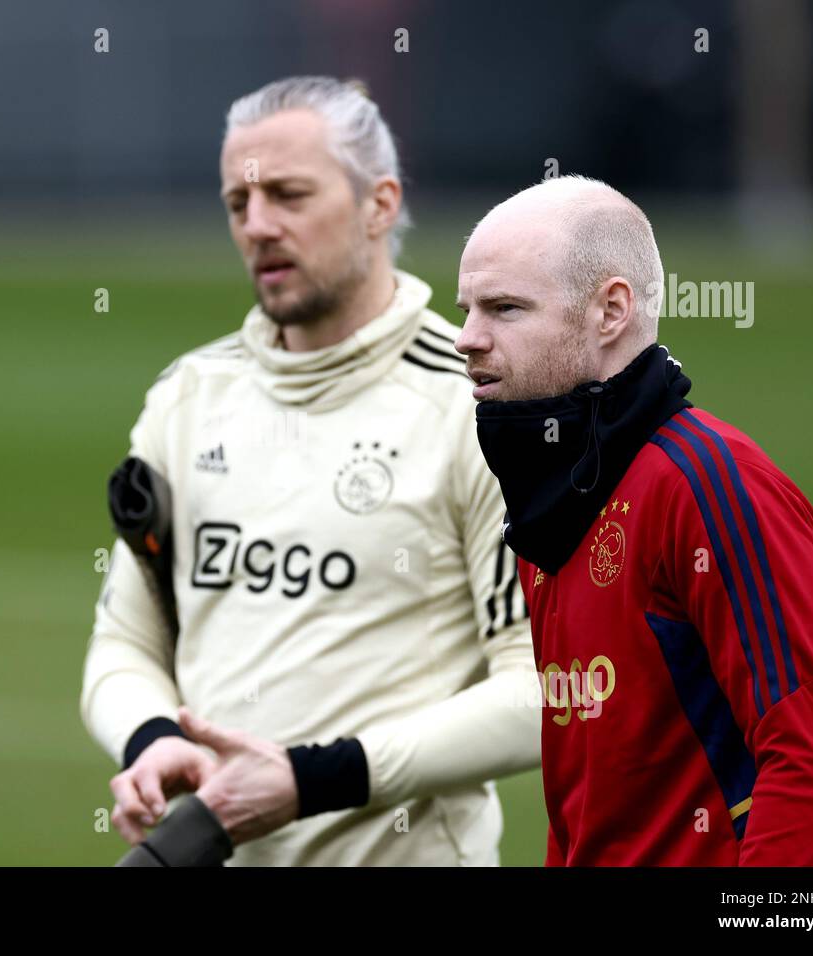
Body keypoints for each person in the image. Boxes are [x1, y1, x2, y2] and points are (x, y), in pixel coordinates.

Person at [81, 76, 540, 865]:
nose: (258, 225)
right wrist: (152, 739)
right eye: (237, 204)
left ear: (380, 204)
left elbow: (541, 692)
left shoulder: (476, 407)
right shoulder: (187, 397)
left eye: (289, 195)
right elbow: (124, 644)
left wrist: (312, 779)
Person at [456, 174, 813, 865]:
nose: (466, 338)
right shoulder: (554, 500)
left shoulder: (711, 484)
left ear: (610, 310)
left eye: (505, 309)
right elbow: (583, 806)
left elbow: (803, 762)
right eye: (467, 309)